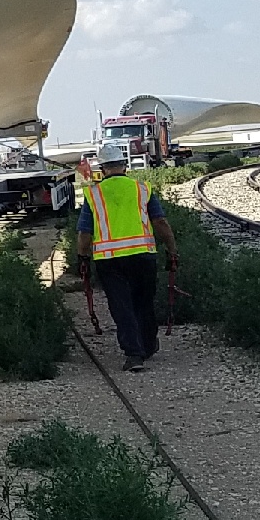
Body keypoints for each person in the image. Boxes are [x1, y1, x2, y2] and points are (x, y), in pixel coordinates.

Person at [76, 142, 177, 371]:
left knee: (122, 307)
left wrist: (82, 259)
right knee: (144, 302)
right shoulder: (142, 189)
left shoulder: (93, 194)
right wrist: (172, 248)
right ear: (124, 166)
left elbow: (84, 233)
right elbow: (160, 222)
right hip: (143, 256)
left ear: (102, 169)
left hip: (109, 261)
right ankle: (148, 344)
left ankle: (134, 355)